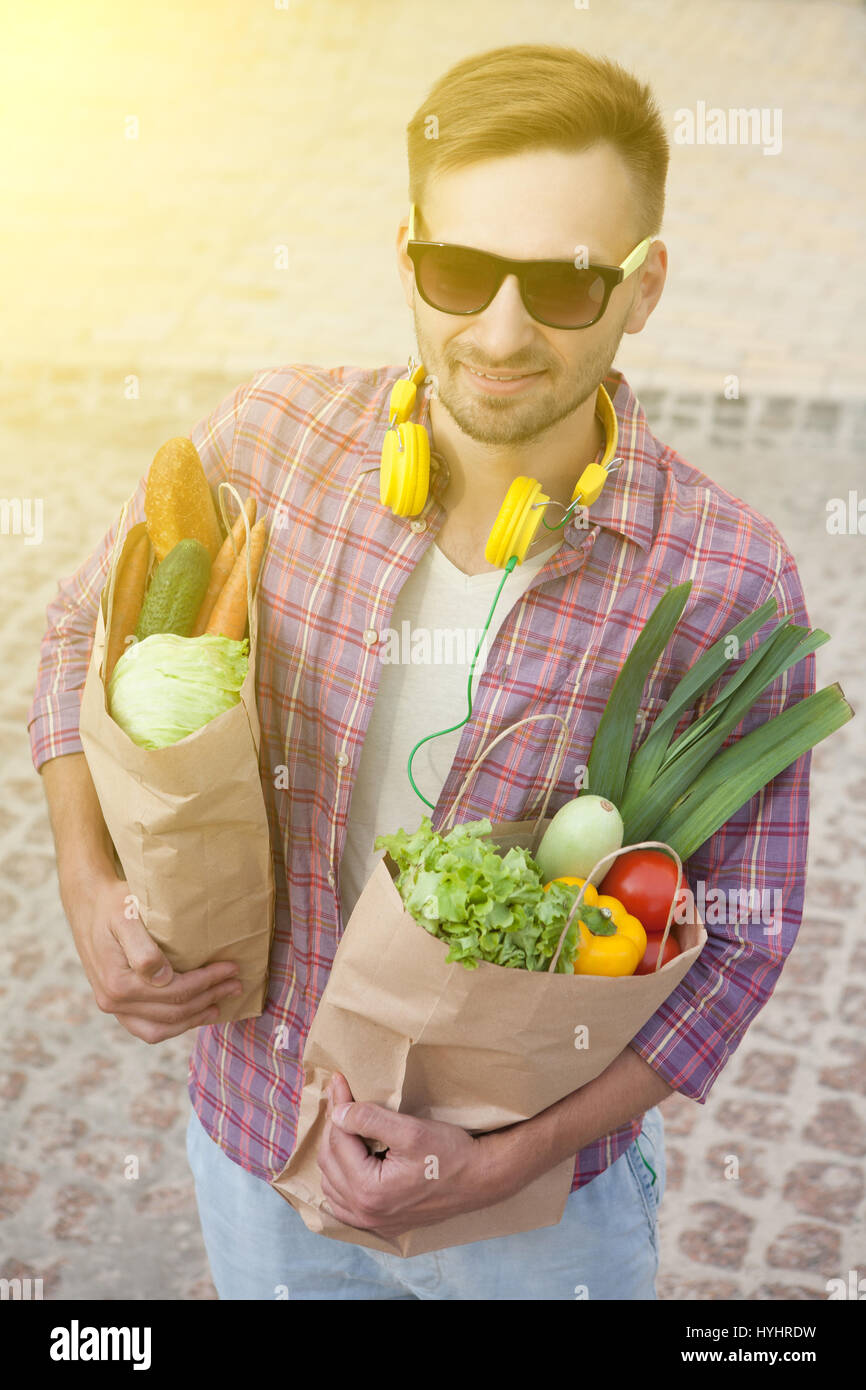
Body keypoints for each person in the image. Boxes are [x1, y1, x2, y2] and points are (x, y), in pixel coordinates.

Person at [29, 44, 813, 1300]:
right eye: (459, 271)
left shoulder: (724, 577)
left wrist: (514, 1158)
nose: (500, 333)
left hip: (537, 1215)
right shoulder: (268, 444)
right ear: (406, 256)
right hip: (255, 1138)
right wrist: (87, 882)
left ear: (643, 284)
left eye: (563, 285)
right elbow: (79, 633)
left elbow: (742, 942)